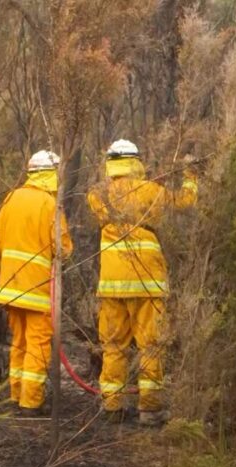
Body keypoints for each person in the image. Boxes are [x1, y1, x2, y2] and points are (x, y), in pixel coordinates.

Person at [86, 139, 198, 425]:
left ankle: (112, 407)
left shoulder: (98, 195)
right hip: (147, 280)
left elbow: (96, 199)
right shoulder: (150, 190)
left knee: (113, 345)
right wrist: (190, 177)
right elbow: (185, 202)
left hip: (112, 284)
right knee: (151, 345)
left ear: (110, 162)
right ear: (136, 161)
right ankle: (150, 410)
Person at [0, 150, 73, 416]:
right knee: (37, 344)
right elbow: (63, 248)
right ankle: (31, 402)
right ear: (52, 174)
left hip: (10, 288)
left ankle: (16, 395)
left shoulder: (11, 198)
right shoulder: (50, 204)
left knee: (19, 342)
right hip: (37, 291)